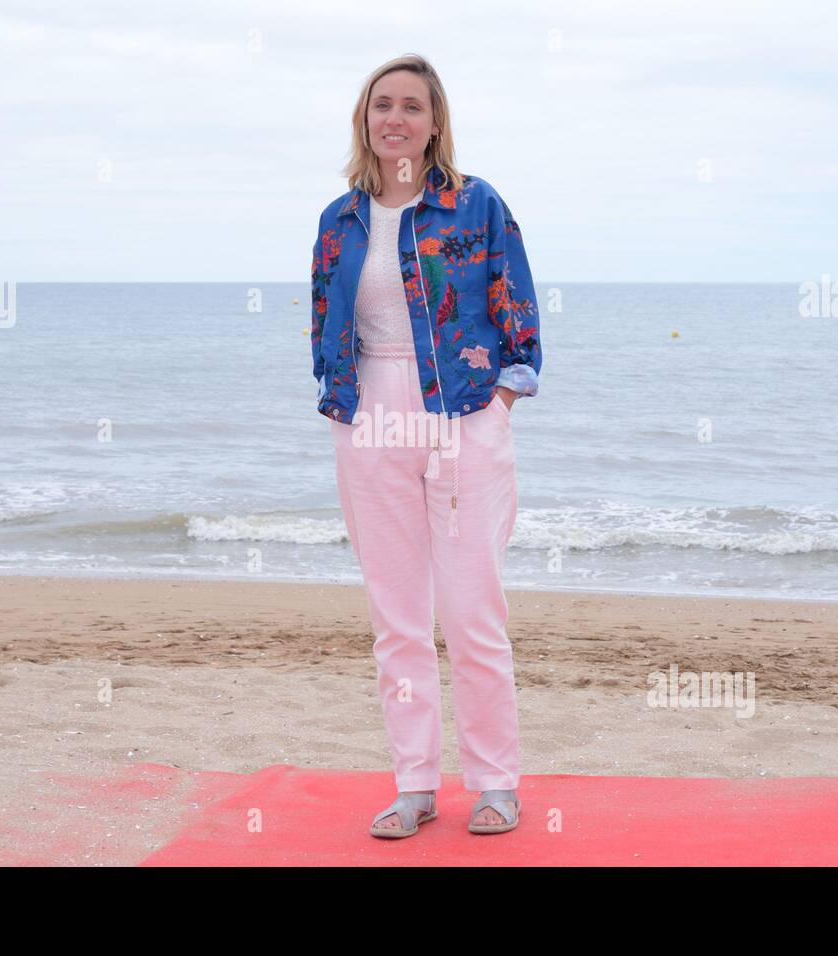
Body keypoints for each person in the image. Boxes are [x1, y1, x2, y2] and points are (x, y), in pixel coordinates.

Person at [309, 54, 542, 838]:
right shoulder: (339, 221)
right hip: (370, 416)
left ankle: (495, 783)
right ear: (365, 120)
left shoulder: (477, 207)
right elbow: (323, 323)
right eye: (383, 105)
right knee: (397, 618)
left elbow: (520, 319)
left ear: (435, 122)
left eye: (412, 106)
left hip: (464, 412)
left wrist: (500, 401)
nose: (396, 119)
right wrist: (342, 404)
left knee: (473, 610)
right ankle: (414, 785)